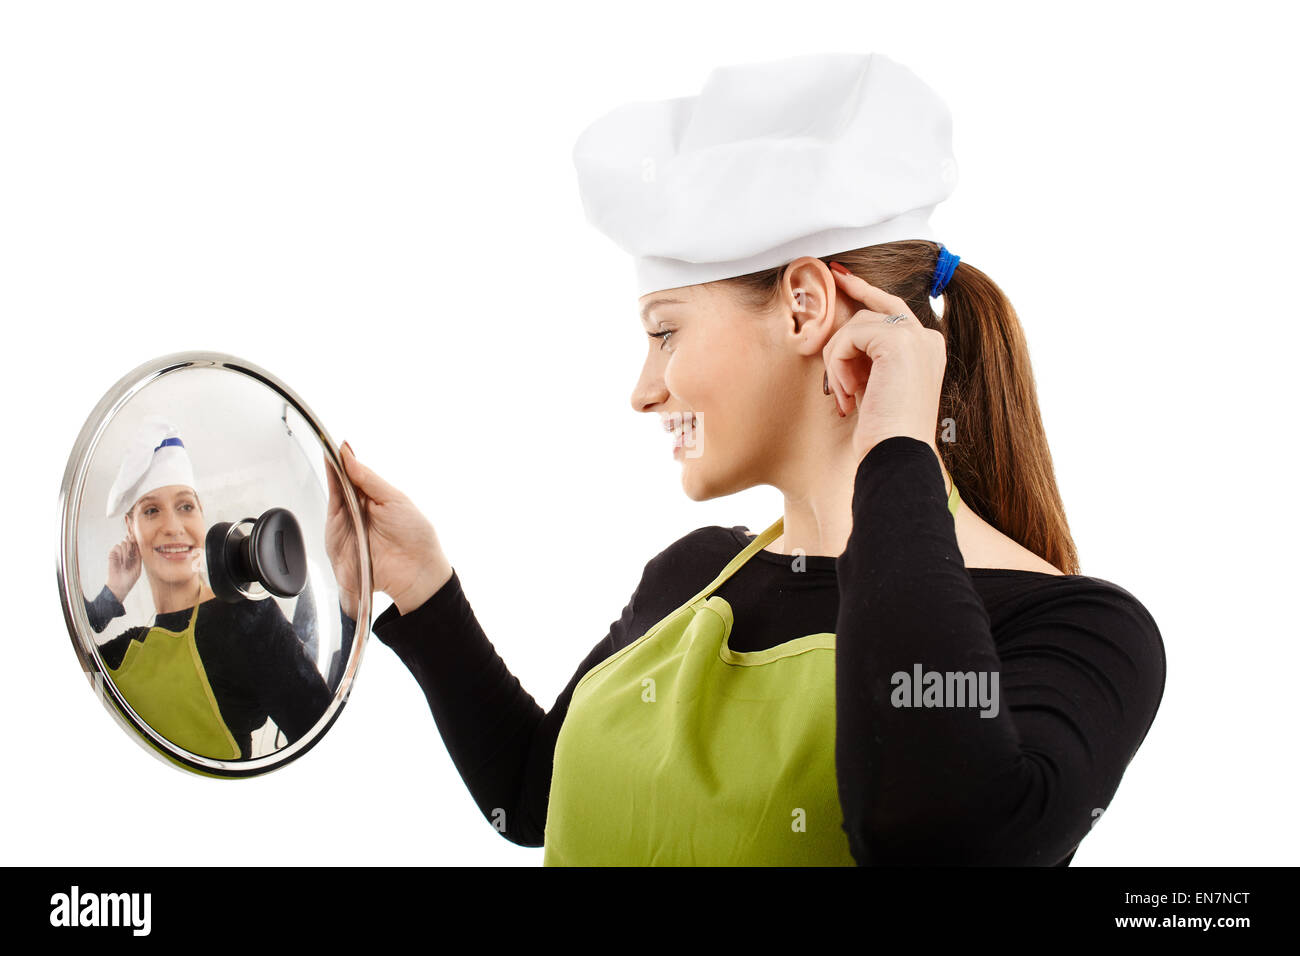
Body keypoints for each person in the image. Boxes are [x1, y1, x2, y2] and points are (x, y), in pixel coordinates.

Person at [325, 52, 1166, 865]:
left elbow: (926, 829)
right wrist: (422, 587)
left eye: (665, 333)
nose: (644, 392)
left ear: (805, 307)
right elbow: (532, 797)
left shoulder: (1080, 632)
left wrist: (898, 442)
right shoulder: (696, 574)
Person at [86, 415, 333, 760]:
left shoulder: (248, 620)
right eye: (152, 510)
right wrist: (109, 598)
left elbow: (324, 742)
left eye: (185, 506)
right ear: (131, 528)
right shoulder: (123, 651)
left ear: (201, 515)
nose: (173, 526)